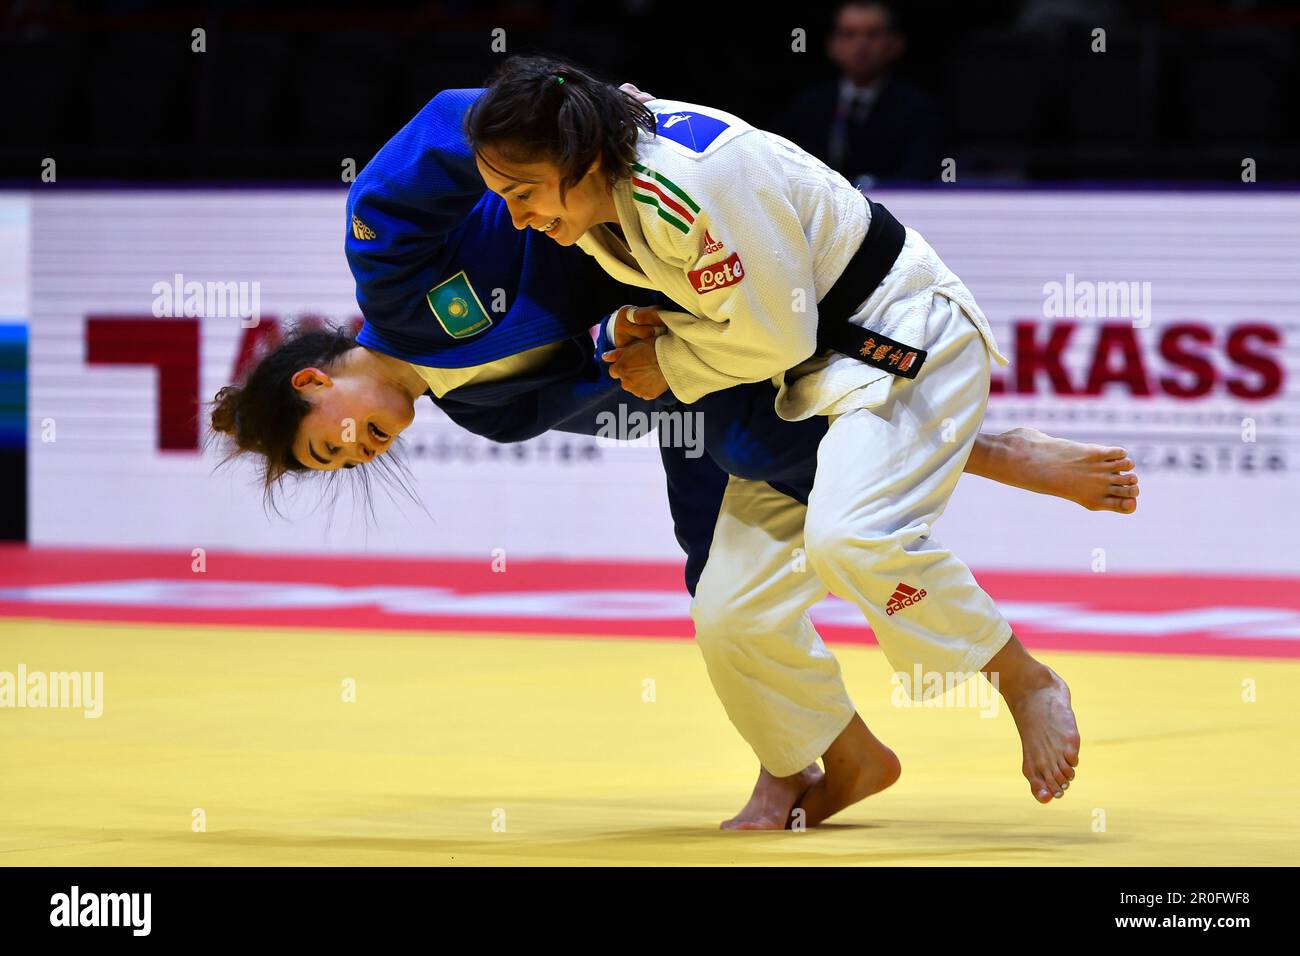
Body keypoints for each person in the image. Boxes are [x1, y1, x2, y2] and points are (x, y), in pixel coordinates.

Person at [211, 83, 1139, 829]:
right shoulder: (486, 414)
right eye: (341, 466)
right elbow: (648, 401)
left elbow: (465, 116)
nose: (354, 454)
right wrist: (640, 352)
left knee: (845, 529)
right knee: (723, 604)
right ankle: (822, 751)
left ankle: (972, 461)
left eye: (327, 443)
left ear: (311, 383)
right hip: (696, 367)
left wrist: (557, 141)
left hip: (734, 303)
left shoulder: (389, 254)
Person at [467, 55, 1101, 824]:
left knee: (850, 536)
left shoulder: (683, 187)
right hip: (803, 373)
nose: (515, 216)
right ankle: (841, 756)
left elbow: (771, 335)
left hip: (896, 334)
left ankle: (1024, 678)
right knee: (731, 613)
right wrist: (652, 327)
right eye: (502, 195)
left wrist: (665, 358)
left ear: (580, 159)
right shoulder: (608, 167)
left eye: (523, 192)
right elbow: (736, 313)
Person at [779, 0, 942, 185]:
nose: (861, 44)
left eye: (873, 35)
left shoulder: (918, 108)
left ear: (895, 44)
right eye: (849, 34)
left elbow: (919, 176)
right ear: (833, 45)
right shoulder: (808, 108)